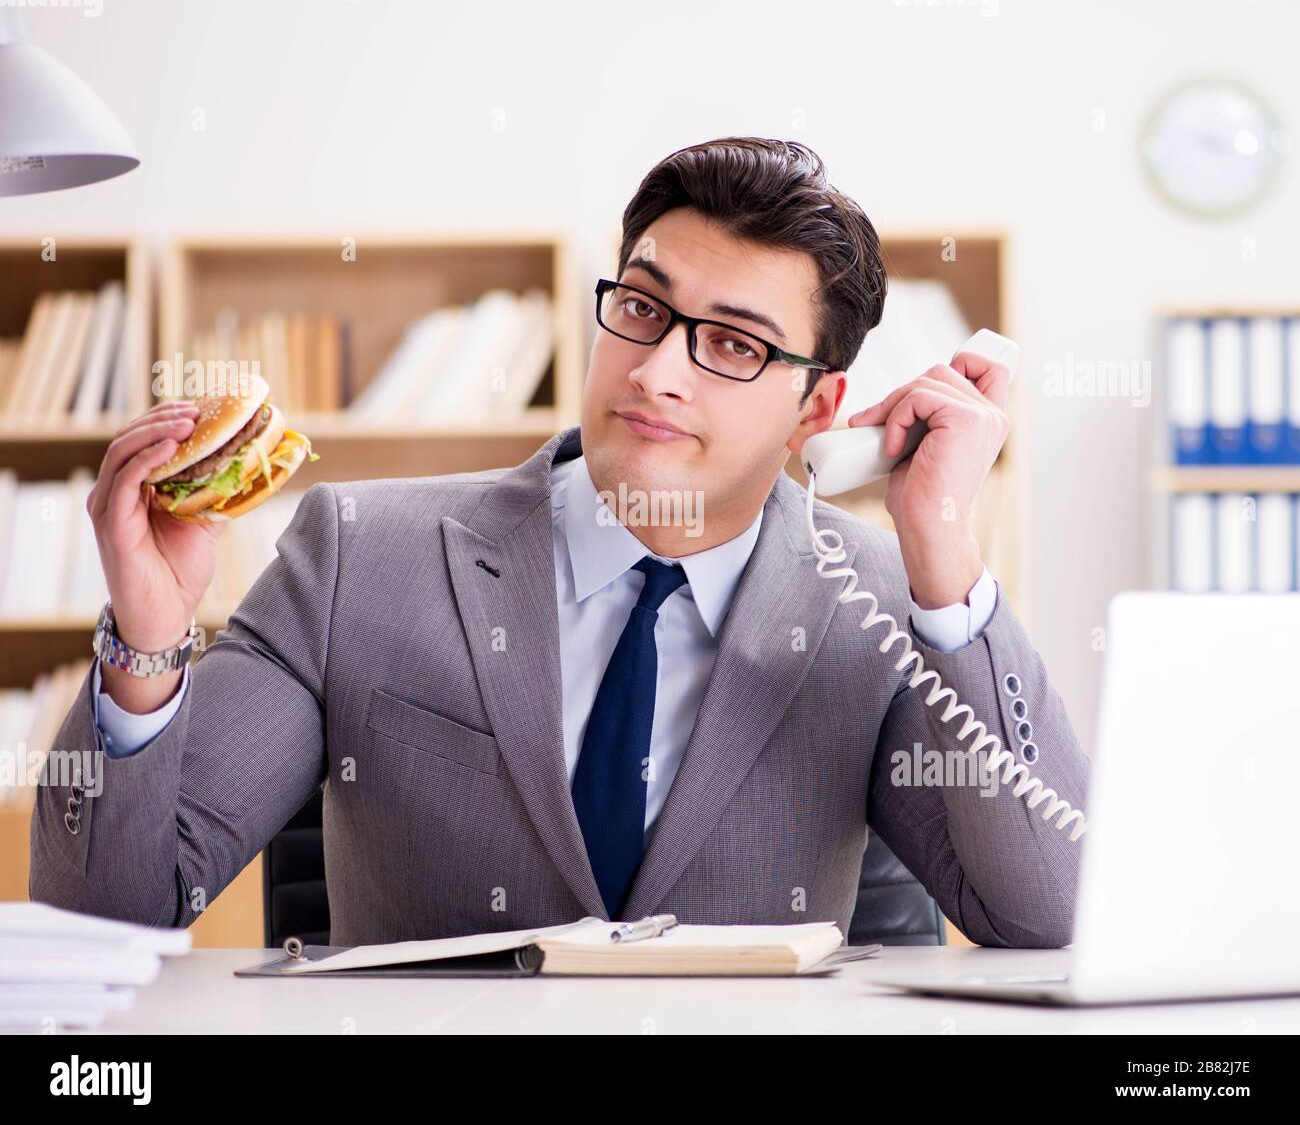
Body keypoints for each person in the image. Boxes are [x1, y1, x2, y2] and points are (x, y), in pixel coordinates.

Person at [30, 137, 1087, 947]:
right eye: (641, 306)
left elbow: (1044, 919)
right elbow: (111, 919)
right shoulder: (356, 551)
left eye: (731, 343)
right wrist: (146, 642)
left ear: (819, 410)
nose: (657, 369)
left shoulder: (880, 607)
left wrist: (943, 553)